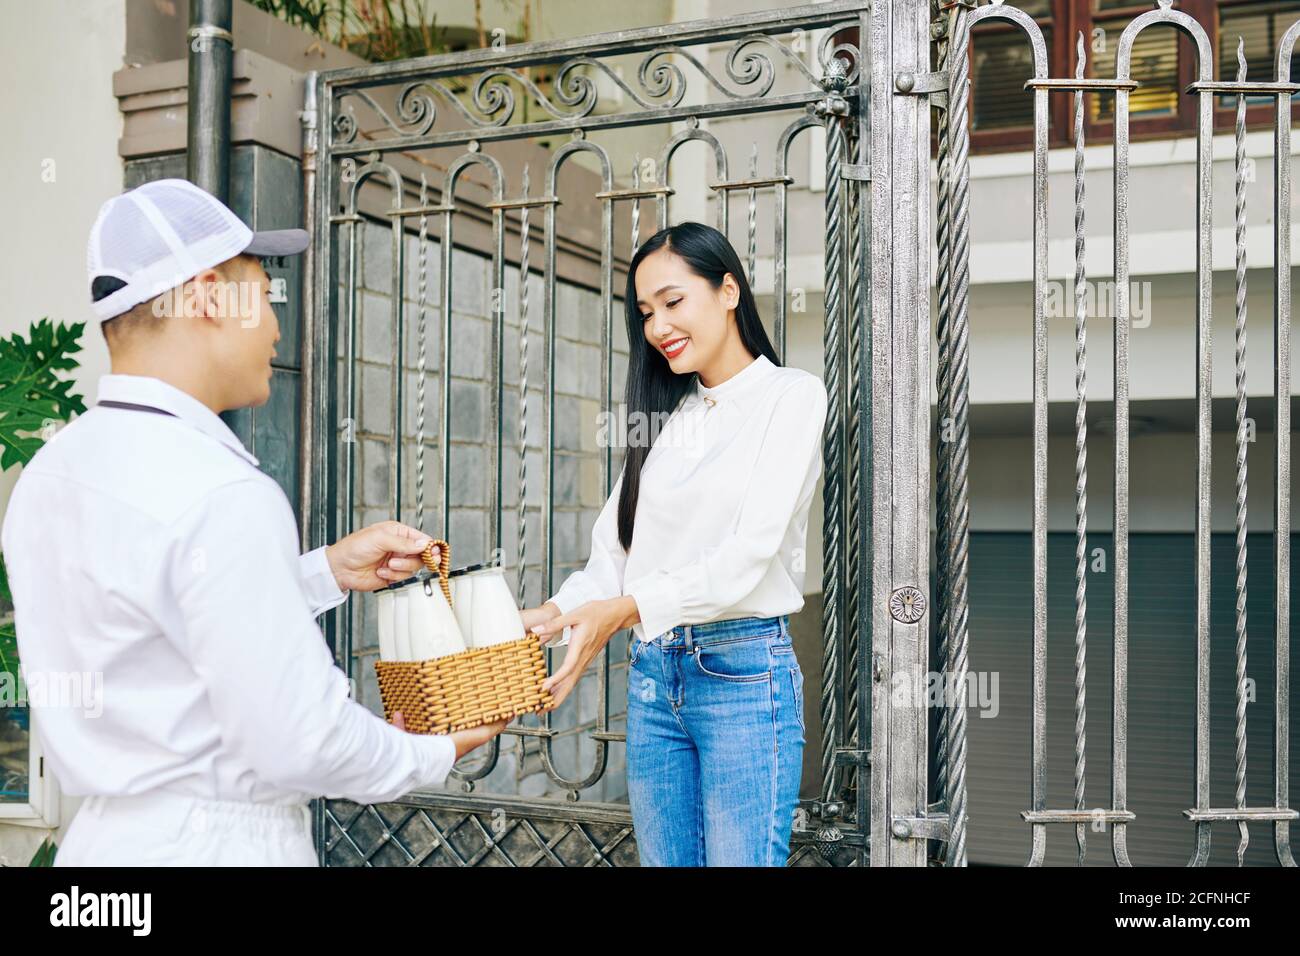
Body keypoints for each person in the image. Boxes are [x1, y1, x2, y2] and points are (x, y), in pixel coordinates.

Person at [0, 178, 504, 866]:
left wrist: (323, 572)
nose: (275, 324)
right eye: (266, 296)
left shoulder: (49, 475)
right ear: (208, 295)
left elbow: (158, 629)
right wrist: (434, 750)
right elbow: (305, 739)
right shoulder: (222, 489)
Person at [524, 221, 828, 866]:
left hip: (742, 674)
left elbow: (749, 554)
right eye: (644, 312)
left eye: (672, 301)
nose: (657, 326)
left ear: (727, 291)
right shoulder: (668, 415)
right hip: (655, 676)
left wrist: (625, 611)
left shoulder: (791, 397)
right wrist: (554, 616)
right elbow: (616, 555)